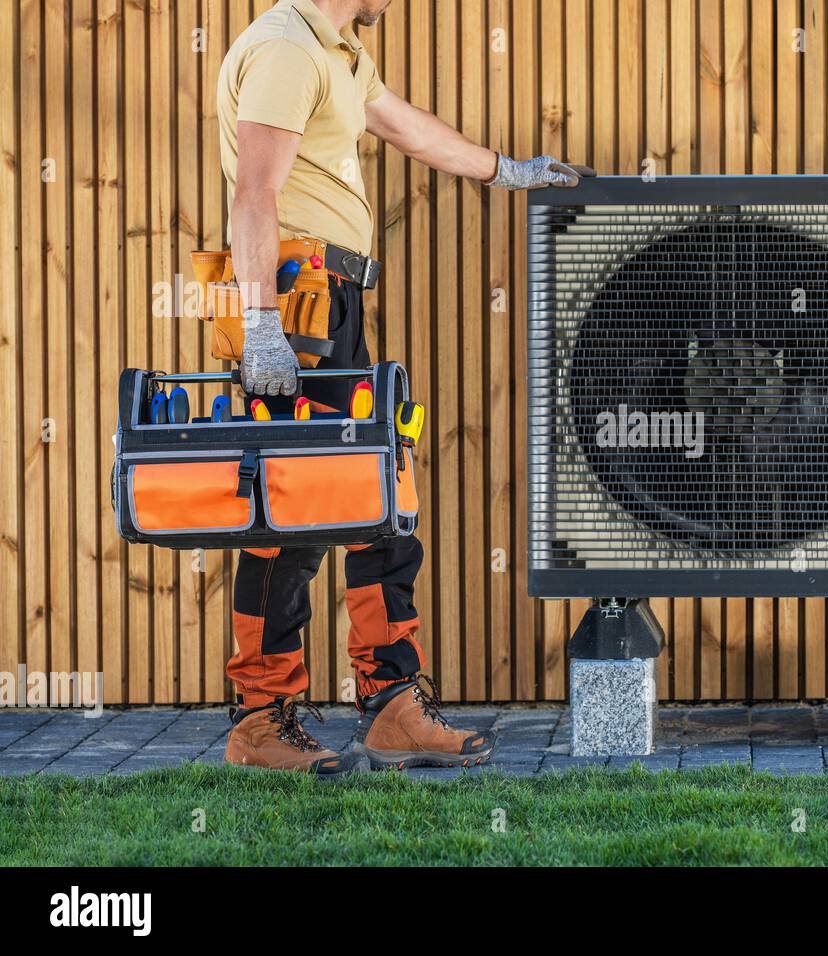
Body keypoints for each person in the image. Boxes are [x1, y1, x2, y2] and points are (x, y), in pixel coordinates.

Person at [216, 0, 593, 777]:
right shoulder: (287, 50)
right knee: (287, 516)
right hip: (295, 307)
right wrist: (260, 326)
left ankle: (388, 706)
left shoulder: (342, 51)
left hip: (331, 305)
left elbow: (406, 125)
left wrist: (506, 170)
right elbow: (253, 191)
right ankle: (261, 722)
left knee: (376, 499)